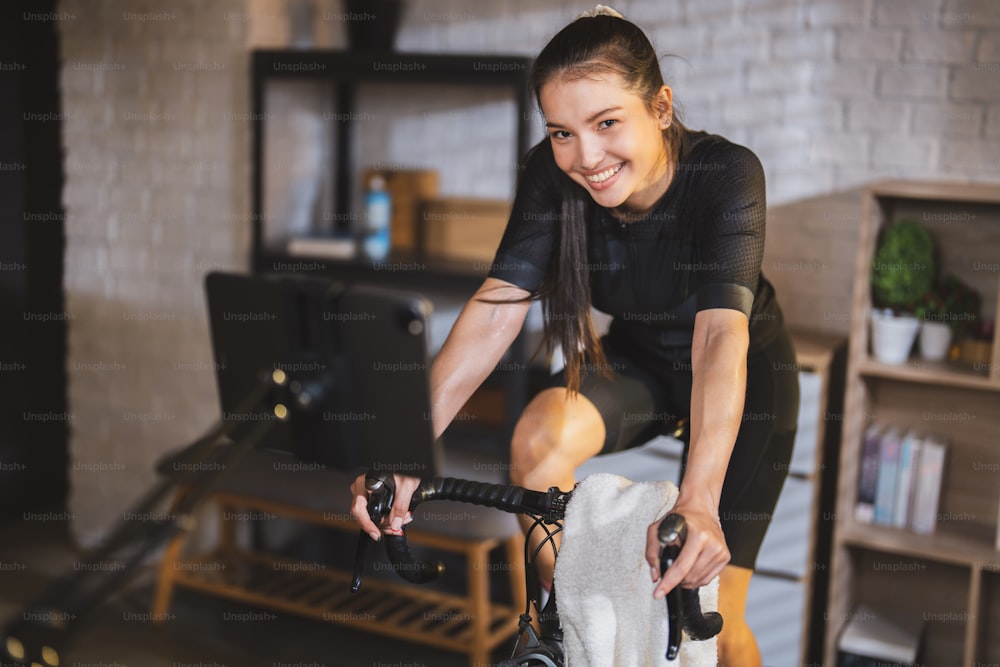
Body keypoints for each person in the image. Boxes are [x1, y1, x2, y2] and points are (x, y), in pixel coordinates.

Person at [351, 6, 799, 666]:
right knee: (536, 441)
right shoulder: (551, 176)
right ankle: (575, 630)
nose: (586, 157)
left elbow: (718, 341)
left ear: (662, 107)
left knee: (718, 621)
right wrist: (406, 447)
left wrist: (698, 499)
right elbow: (499, 308)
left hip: (745, 375)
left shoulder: (726, 176)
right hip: (641, 363)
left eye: (607, 122)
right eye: (562, 132)